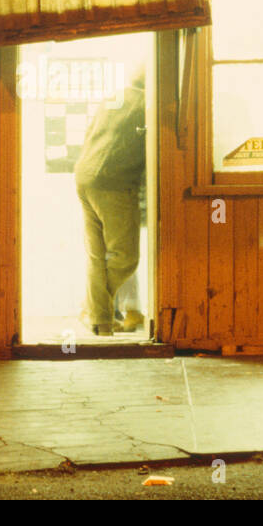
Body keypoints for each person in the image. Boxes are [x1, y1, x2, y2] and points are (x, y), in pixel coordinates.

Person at [74, 66, 146, 336]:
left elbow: (89, 134)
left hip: (84, 176)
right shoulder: (150, 104)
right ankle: (92, 309)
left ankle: (101, 321)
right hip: (114, 182)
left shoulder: (112, 97)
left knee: (97, 255)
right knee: (125, 257)